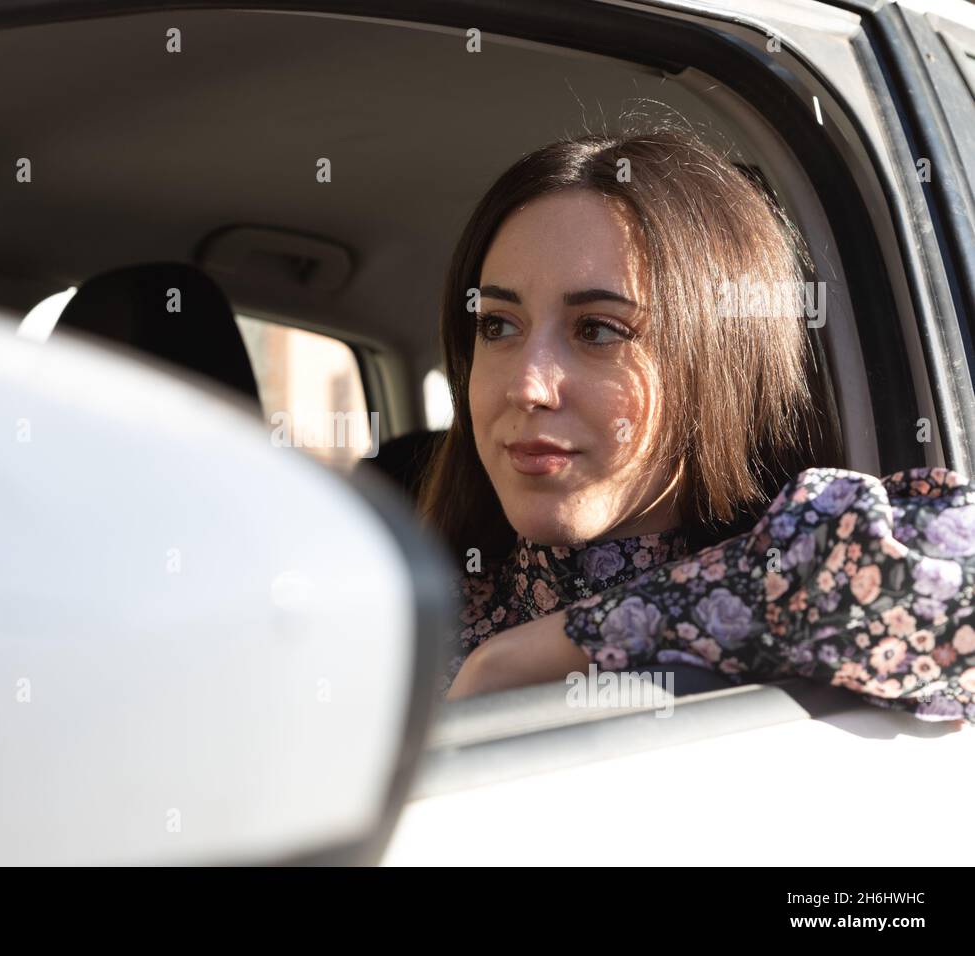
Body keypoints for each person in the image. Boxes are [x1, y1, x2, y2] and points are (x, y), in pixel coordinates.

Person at [418, 126, 975, 723]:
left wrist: (526, 657)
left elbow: (949, 579)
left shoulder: (795, 597)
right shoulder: (402, 621)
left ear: (722, 360)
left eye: (599, 330)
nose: (527, 386)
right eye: (498, 326)